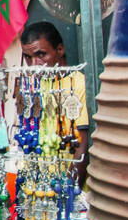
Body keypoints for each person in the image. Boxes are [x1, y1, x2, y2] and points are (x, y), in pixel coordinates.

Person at [19, 20, 90, 188]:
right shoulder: (34, 85)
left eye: (41, 55)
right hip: (37, 186)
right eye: (28, 58)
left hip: (65, 187)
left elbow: (82, 147)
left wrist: (68, 190)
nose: (34, 65)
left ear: (60, 50)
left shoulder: (79, 84)